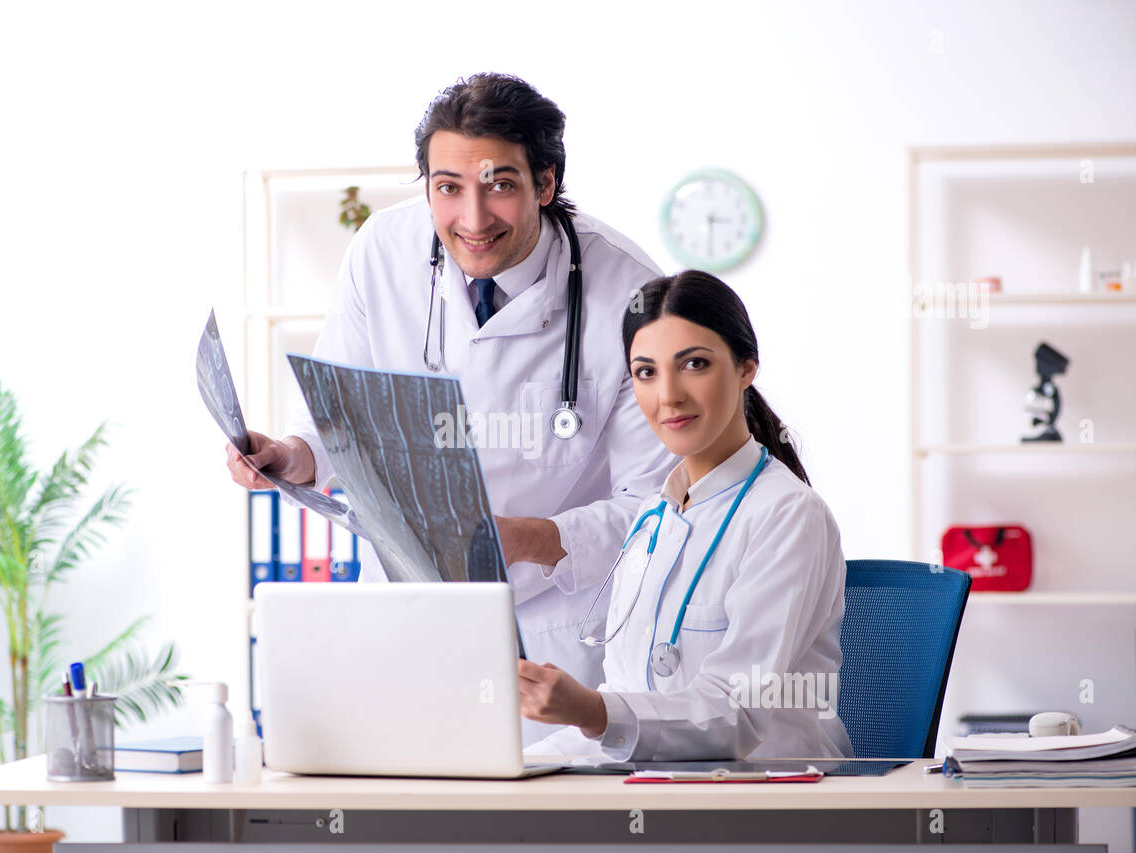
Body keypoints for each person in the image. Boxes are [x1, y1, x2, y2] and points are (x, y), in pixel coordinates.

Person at [225, 73, 676, 743]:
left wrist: (523, 537)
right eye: (448, 187)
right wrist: (290, 455)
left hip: (554, 633)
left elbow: (655, 508)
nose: (472, 218)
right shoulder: (382, 252)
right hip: (402, 615)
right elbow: (336, 415)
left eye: (499, 184)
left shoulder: (630, 294)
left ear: (545, 183)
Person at [519, 270, 854, 761]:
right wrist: (517, 767)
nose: (668, 395)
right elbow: (627, 695)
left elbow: (736, 716)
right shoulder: (654, 516)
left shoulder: (787, 514)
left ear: (745, 368)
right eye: (646, 372)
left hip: (768, 799)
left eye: (693, 364)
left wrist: (592, 711)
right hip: (659, 793)